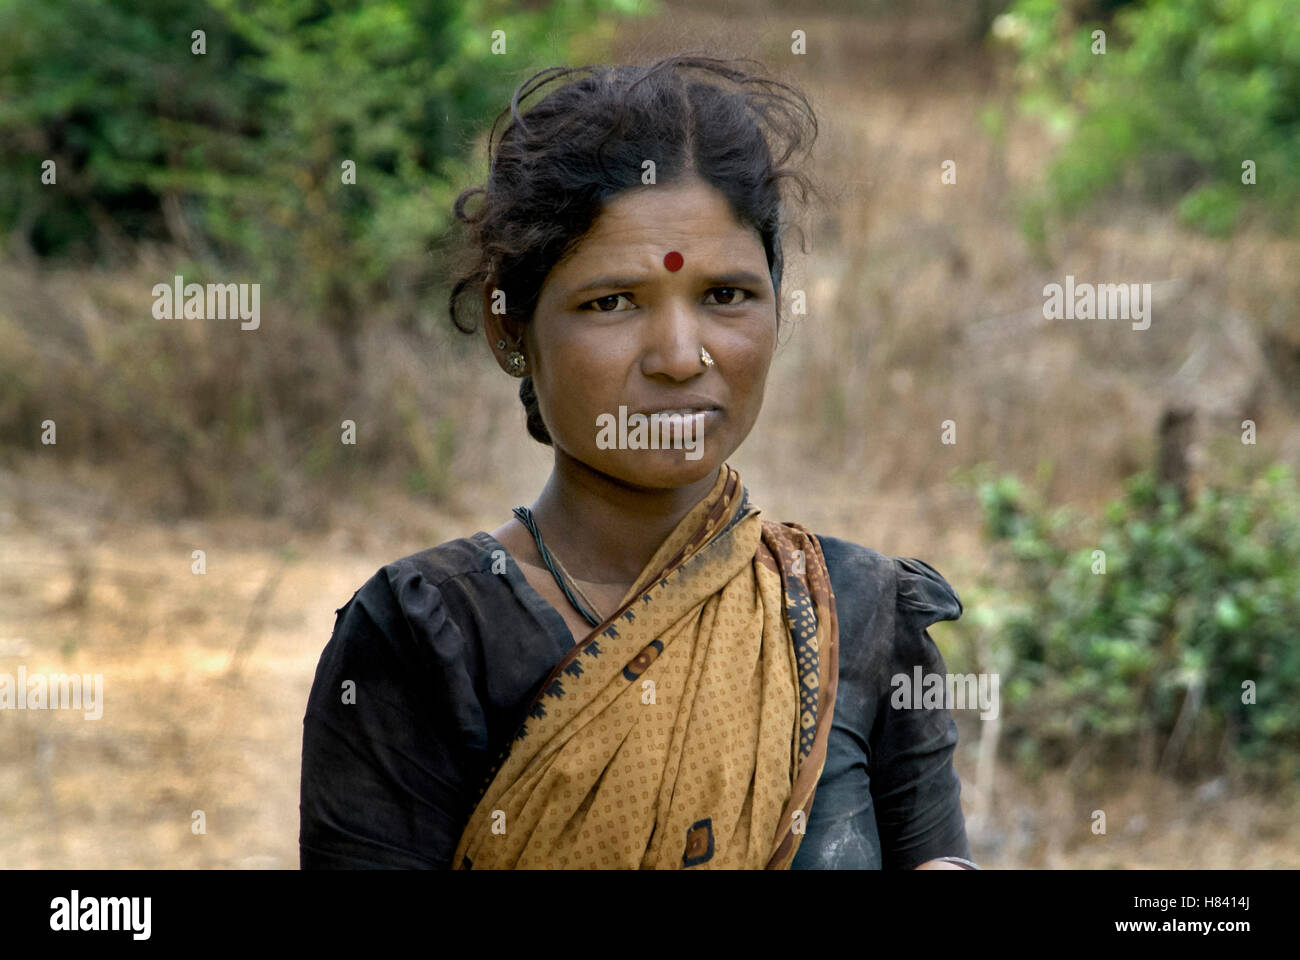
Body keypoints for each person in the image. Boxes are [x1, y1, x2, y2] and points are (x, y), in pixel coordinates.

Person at [299, 54, 978, 870]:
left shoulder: (861, 618)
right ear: (509, 327)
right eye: (611, 303)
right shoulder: (427, 639)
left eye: (726, 295)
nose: (681, 357)